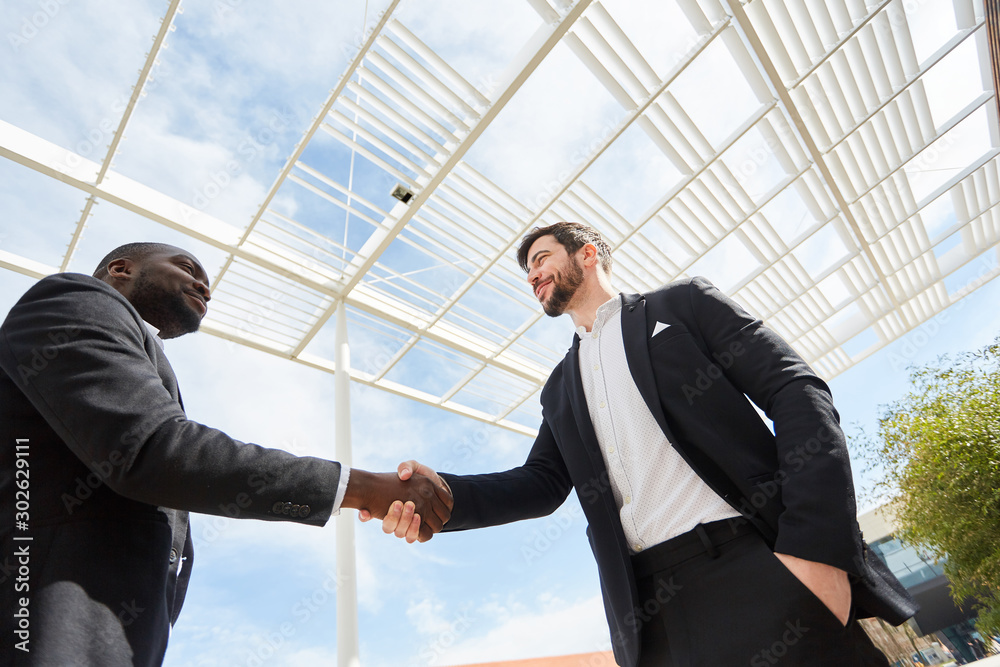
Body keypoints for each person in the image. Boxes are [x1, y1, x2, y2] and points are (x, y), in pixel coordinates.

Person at [372, 223, 918, 666]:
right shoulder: (560, 387)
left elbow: (796, 390)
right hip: (650, 616)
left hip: (756, 567)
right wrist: (442, 498)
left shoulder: (682, 306)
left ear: (587, 254)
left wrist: (816, 550)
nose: (533, 274)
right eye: (528, 270)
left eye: (541, 258)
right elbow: (539, 485)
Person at [0, 242, 452, 666]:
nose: (204, 286)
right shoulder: (74, 297)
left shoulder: (133, 348)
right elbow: (153, 449)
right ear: (121, 269)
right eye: (187, 267)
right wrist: (362, 488)